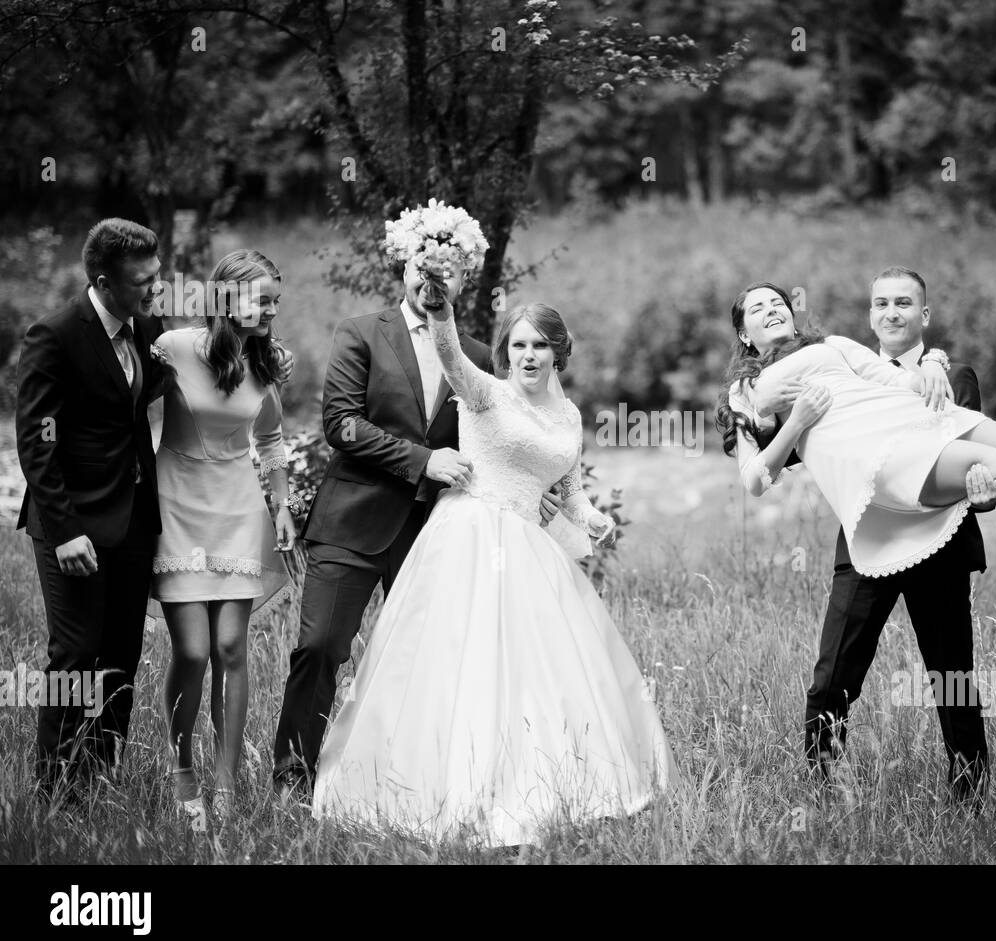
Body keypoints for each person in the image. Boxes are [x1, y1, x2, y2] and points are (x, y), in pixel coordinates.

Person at [312, 264, 676, 847]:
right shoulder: (484, 394)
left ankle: (538, 781)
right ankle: (445, 784)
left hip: (531, 549)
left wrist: (593, 520)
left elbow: (569, 488)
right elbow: (452, 357)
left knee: (535, 667)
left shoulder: (568, 415)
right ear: (505, 352)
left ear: (559, 354)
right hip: (470, 536)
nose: (528, 355)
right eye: (518, 345)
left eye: (540, 346)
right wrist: (440, 312)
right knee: (462, 658)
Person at [717, 279, 996, 691]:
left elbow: (893, 379)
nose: (771, 309)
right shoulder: (746, 391)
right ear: (743, 333)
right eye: (757, 309)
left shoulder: (834, 345)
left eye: (778, 302)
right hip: (883, 457)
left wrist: (932, 363)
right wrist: (797, 422)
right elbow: (755, 480)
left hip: (910, 419)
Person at [271, 217, 560, 800]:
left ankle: (417, 781)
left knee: (434, 657)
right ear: (403, 269)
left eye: (447, 273)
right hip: (351, 522)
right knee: (321, 646)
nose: (433, 282)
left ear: (463, 282)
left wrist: (534, 489)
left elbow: (502, 441)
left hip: (435, 533)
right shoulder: (360, 333)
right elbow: (341, 425)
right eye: (423, 270)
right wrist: (423, 460)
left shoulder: (477, 355)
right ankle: (293, 777)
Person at [761, 270, 996, 803]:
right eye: (881, 304)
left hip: (939, 543)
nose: (891, 313)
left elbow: (968, 454)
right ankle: (821, 789)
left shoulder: (955, 374)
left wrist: (982, 489)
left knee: (953, 677)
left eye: (903, 303)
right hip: (865, 542)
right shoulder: (844, 376)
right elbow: (779, 450)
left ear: (924, 316)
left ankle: (970, 798)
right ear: (870, 314)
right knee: (833, 673)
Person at [15, 218, 166, 807]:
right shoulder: (53, 336)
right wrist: (66, 531)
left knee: (122, 654)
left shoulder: (146, 325)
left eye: (158, 277)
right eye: (143, 281)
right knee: (75, 654)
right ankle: (56, 788)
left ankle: (100, 779)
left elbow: (160, 382)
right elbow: (36, 443)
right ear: (103, 281)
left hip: (132, 520)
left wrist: (258, 358)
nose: (156, 290)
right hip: (72, 526)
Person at [149, 249, 295, 829]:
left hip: (236, 511)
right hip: (177, 507)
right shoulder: (175, 348)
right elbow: (127, 405)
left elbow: (273, 438)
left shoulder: (268, 361)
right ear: (225, 296)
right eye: (262, 298)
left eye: (276, 301)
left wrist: (282, 505)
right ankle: (182, 769)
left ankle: (226, 785)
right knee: (193, 650)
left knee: (232, 648)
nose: (270, 310)